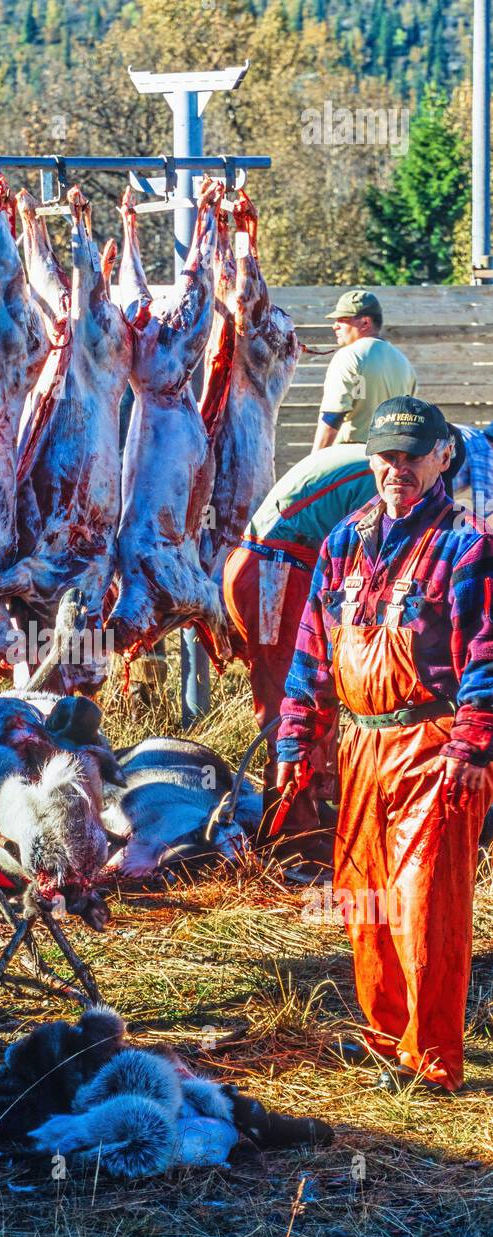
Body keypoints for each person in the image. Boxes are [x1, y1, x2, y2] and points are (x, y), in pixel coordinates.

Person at [277, 397, 493, 1093]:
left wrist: (471, 751)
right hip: (361, 748)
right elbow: (311, 655)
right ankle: (385, 1039)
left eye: (411, 456)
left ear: (442, 459)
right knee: (364, 900)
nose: (397, 469)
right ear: (371, 461)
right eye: (386, 457)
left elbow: (487, 659)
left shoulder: (468, 545)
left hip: (435, 745)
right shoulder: (344, 541)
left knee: (424, 905)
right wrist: (295, 744)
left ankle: (432, 1062)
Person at [222, 431, 466, 840]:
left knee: (293, 693)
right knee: (291, 698)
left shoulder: (371, 460)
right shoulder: (382, 488)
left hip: (261, 566)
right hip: (276, 572)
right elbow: (375, 572)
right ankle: (293, 834)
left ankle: (313, 816)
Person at [312, 291, 416, 452]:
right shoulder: (403, 362)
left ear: (365, 323)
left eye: (342, 320)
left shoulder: (349, 356)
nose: (335, 326)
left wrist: (314, 462)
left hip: (353, 458)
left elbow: (333, 416)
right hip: (392, 461)